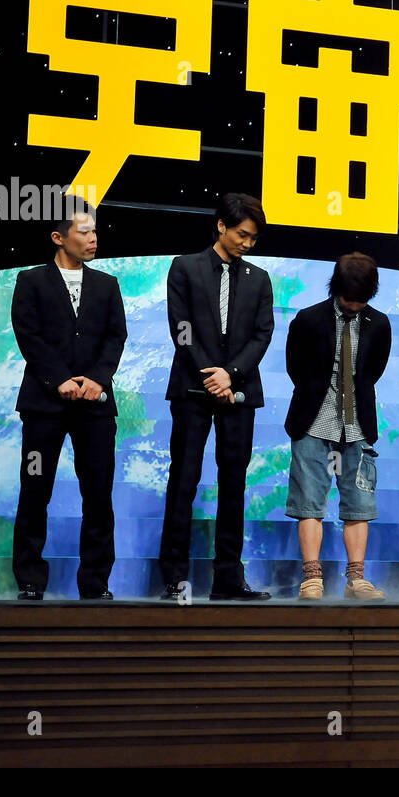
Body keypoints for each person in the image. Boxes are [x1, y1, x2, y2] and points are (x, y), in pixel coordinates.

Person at [158, 193, 275, 601]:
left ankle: (228, 578)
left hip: (239, 392)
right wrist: (212, 374)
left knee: (234, 484)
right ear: (221, 226)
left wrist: (232, 374)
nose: (247, 243)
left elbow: (263, 334)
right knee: (184, 480)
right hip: (194, 388)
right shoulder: (185, 267)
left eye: (254, 239)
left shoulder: (258, 278)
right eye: (242, 234)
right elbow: (182, 328)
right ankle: (174, 577)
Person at [11, 195, 126, 600]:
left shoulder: (107, 285)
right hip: (44, 405)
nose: (93, 238)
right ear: (59, 237)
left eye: (94, 231)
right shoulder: (31, 281)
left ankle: (95, 583)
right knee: (35, 488)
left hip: (95, 406)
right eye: (84, 231)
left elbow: (116, 337)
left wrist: (97, 380)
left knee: (98, 494)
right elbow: (29, 334)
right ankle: (29, 580)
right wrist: (57, 379)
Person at [284, 253, 392, 601]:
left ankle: (356, 579)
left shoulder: (379, 323)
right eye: (348, 300)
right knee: (308, 502)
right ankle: (312, 577)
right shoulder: (308, 319)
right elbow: (295, 368)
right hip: (313, 422)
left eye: (361, 301)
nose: (354, 307)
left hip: (357, 427)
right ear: (336, 290)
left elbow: (373, 372)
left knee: (359, 503)